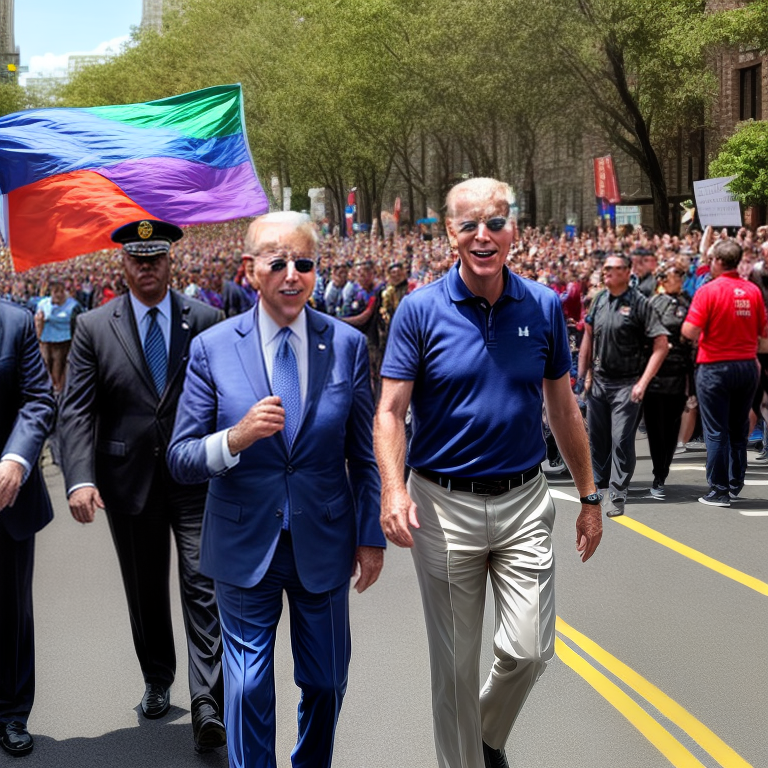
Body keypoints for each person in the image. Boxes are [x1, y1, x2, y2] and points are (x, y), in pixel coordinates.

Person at [375, 178, 602, 768]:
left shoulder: (545, 305)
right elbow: (391, 412)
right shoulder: (418, 310)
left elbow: (562, 406)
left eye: (496, 223)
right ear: (449, 233)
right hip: (442, 503)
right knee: (454, 668)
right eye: (470, 225)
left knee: (529, 651)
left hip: (524, 500)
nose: (484, 235)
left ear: (514, 231)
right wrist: (394, 489)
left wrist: (589, 494)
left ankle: (485, 738)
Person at [166, 211, 385, 768]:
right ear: (251, 270)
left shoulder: (347, 345)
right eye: (278, 262)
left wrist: (370, 536)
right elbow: (180, 458)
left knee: (328, 681)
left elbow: (363, 456)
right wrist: (234, 439)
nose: (293, 274)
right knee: (246, 688)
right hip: (244, 545)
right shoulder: (214, 347)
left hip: (325, 540)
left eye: (304, 263)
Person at [58, 220, 226, 752]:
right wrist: (79, 477)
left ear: (171, 262)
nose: (147, 267)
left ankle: (207, 701)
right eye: (138, 259)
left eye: (156, 258)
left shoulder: (205, 319)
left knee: (203, 583)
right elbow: (77, 411)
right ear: (123, 265)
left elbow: (225, 399)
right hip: (126, 480)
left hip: (194, 477)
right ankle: (158, 676)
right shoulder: (92, 327)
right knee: (145, 587)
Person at [0, 300, 56, 757]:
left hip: (7, 494)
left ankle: (11, 713)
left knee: (10, 609)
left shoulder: (14, 322)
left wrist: (17, 458)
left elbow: (39, 399)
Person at [577, 253, 669, 517]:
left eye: (615, 269)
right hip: (599, 382)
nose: (608, 272)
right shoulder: (599, 300)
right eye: (605, 268)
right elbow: (588, 336)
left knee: (621, 438)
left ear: (627, 272)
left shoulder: (640, 304)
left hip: (628, 383)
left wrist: (643, 382)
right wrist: (584, 376)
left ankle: (617, 493)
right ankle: (600, 484)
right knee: (597, 438)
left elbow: (661, 346)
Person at [682, 239, 768, 506]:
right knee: (738, 428)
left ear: (718, 261)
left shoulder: (708, 291)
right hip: (746, 367)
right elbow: (764, 338)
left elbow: (690, 331)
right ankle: (734, 484)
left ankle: (718, 490)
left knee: (716, 430)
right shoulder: (752, 290)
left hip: (715, 367)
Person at [643, 260, 694, 498]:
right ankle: (657, 473)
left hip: (679, 372)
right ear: (663, 279)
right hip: (656, 373)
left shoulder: (686, 301)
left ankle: (662, 473)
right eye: (677, 276)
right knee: (656, 428)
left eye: (682, 276)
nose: (681, 280)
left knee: (672, 428)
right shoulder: (653, 303)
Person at [34, 277, 82, 394]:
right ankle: (46, 389)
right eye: (55, 291)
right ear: (51, 292)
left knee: (58, 366)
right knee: (45, 363)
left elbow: (78, 323)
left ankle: (58, 390)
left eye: (61, 291)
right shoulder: (43, 304)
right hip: (45, 340)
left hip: (63, 341)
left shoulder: (73, 305)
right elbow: (38, 322)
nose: (59, 294)